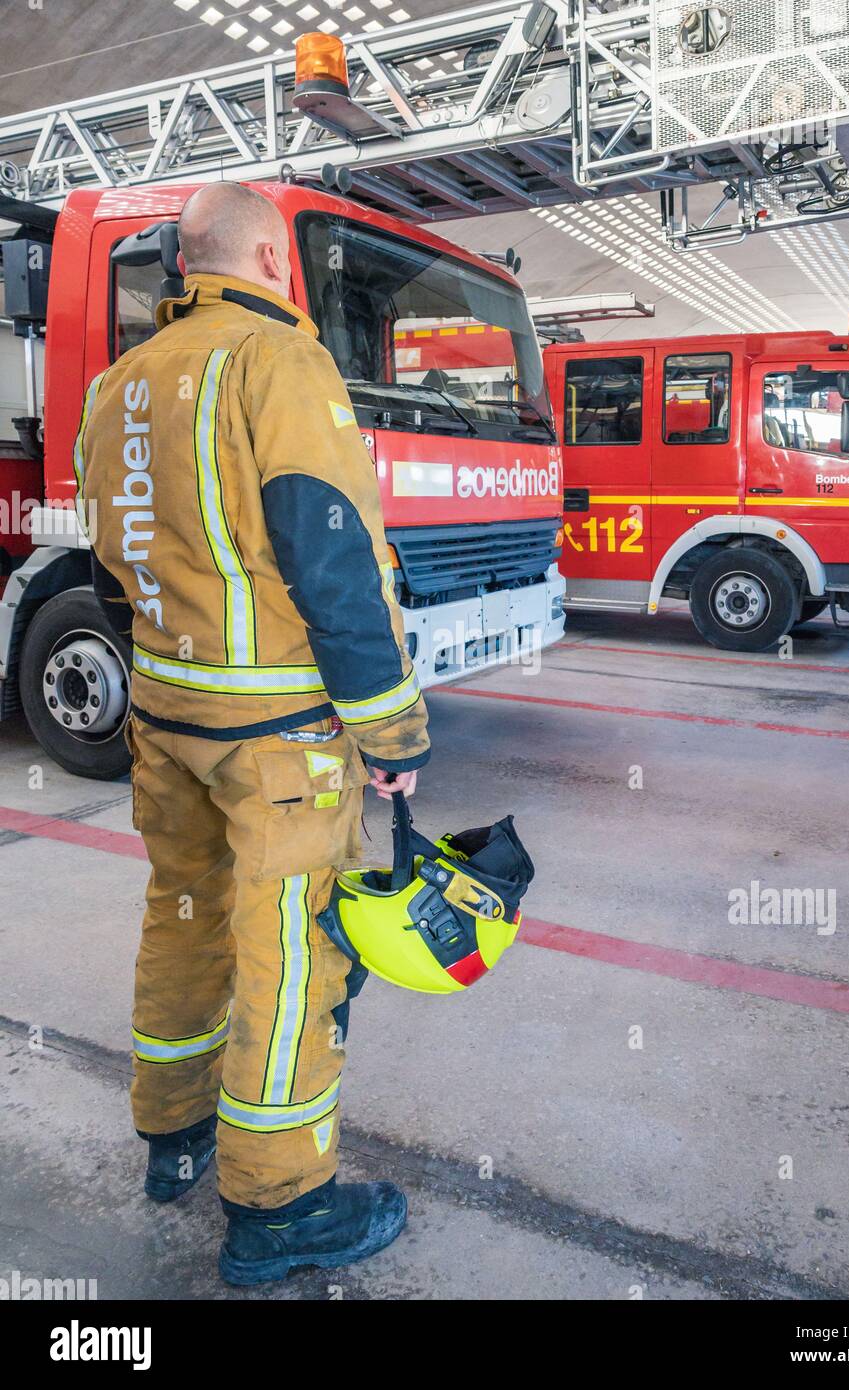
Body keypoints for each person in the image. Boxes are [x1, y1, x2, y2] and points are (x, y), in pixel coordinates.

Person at [77, 181, 430, 1286]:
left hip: (165, 714)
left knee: (182, 918)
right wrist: (393, 728)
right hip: (274, 730)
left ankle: (173, 1139)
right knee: (294, 950)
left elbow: (108, 561)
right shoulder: (276, 361)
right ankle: (279, 1206)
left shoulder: (118, 385)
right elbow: (331, 559)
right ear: (275, 257)